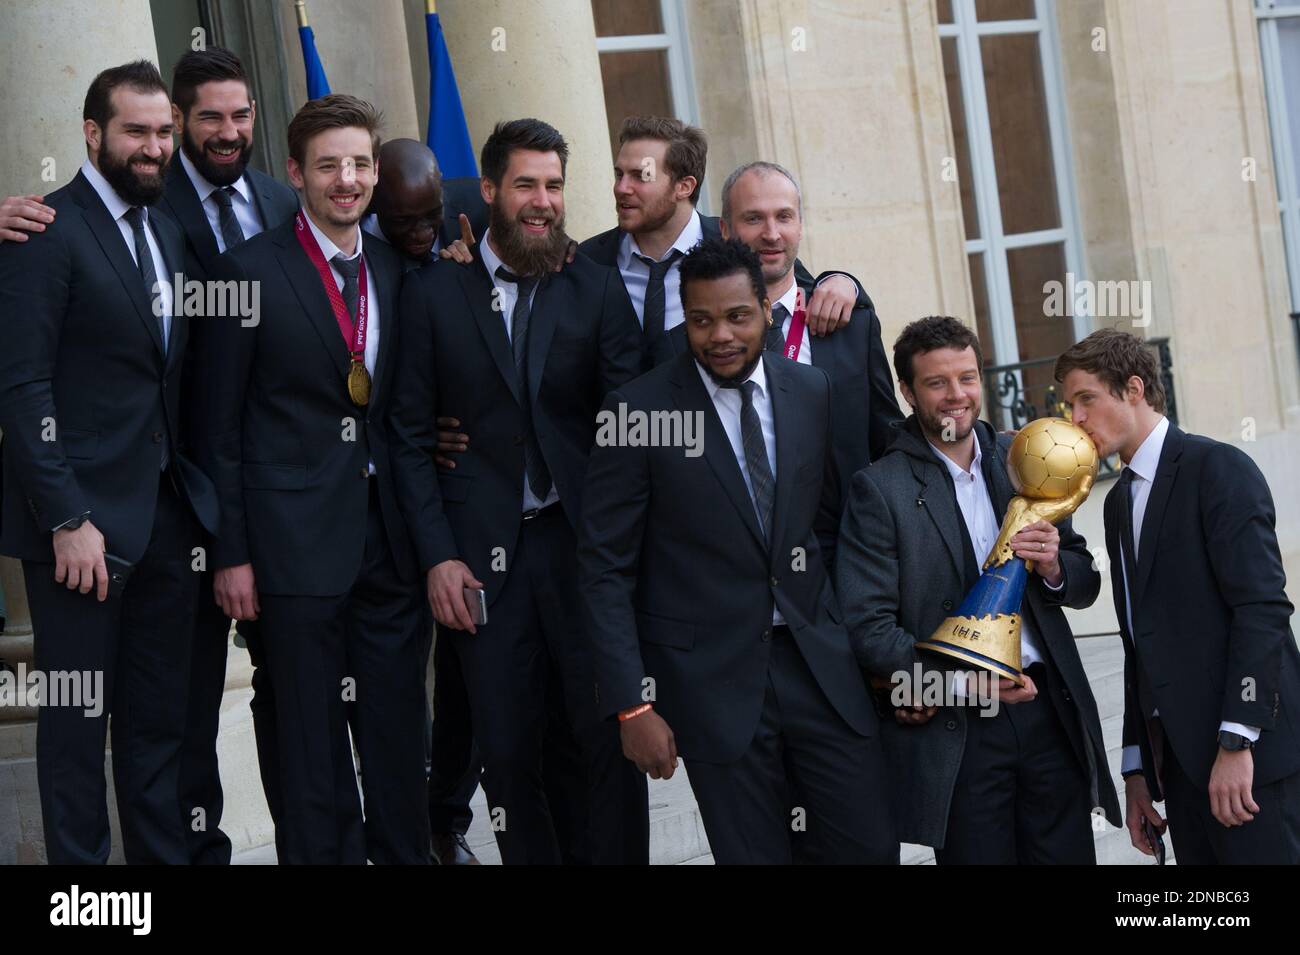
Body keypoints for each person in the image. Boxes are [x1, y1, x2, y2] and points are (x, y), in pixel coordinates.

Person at [0, 46, 299, 865]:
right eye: (137, 132)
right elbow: (23, 392)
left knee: (158, 721)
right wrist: (66, 518)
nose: (156, 148)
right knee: (74, 722)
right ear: (92, 133)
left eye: (165, 132)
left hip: (170, 520)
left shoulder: (168, 233)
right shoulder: (42, 233)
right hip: (77, 534)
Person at [578, 237, 898, 864]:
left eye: (736, 316)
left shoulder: (811, 391)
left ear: (765, 309)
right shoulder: (635, 412)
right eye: (701, 320)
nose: (719, 335)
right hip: (711, 686)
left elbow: (832, 528)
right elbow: (604, 570)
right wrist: (631, 704)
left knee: (869, 849)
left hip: (821, 670)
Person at [391, 118, 648, 865]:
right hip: (478, 566)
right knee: (508, 756)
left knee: (602, 744)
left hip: (583, 557)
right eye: (528, 184)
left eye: (555, 186)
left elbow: (627, 431)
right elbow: (406, 439)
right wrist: (438, 557)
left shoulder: (595, 290)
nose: (543, 201)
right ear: (492, 189)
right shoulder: (435, 294)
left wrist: (621, 550)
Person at [194, 94, 430, 864]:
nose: (348, 179)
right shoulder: (244, 274)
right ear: (294, 172)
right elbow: (217, 428)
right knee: (309, 744)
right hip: (291, 555)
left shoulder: (400, 270)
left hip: (389, 548)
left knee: (398, 734)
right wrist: (231, 552)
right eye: (329, 164)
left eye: (361, 163)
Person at [836, 316, 1119, 863]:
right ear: (907, 392)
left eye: (966, 378)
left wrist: (1056, 565)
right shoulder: (880, 489)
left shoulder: (1026, 455)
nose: (955, 396)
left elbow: (1084, 581)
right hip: (958, 730)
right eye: (936, 383)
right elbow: (867, 628)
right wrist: (963, 687)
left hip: (1047, 712)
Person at [1057, 328, 1300, 864]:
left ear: (1134, 388)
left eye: (1086, 399)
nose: (1074, 419)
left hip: (1250, 765)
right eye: (1068, 404)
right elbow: (1139, 647)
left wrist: (1238, 741)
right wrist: (1138, 771)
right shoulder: (1118, 502)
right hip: (1184, 776)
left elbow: (1262, 611)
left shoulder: (1218, 469)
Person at [360, 135, 487, 866]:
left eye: (430, 216)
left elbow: (564, 264)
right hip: (377, 492)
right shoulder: (358, 248)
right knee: (392, 680)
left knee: (467, 673)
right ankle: (395, 829)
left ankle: (448, 816)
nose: (423, 233)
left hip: (460, 485)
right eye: (405, 221)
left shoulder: (471, 215)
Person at [676, 160, 904, 487]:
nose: (771, 234)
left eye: (784, 216)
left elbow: (886, 437)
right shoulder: (696, 337)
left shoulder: (854, 324)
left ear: (799, 225)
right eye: (754, 218)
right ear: (725, 231)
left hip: (844, 533)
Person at [578, 116, 863, 367]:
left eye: (641, 176)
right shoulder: (588, 260)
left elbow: (798, 284)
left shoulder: (734, 239)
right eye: (619, 174)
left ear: (684, 186)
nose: (621, 188)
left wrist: (844, 282)